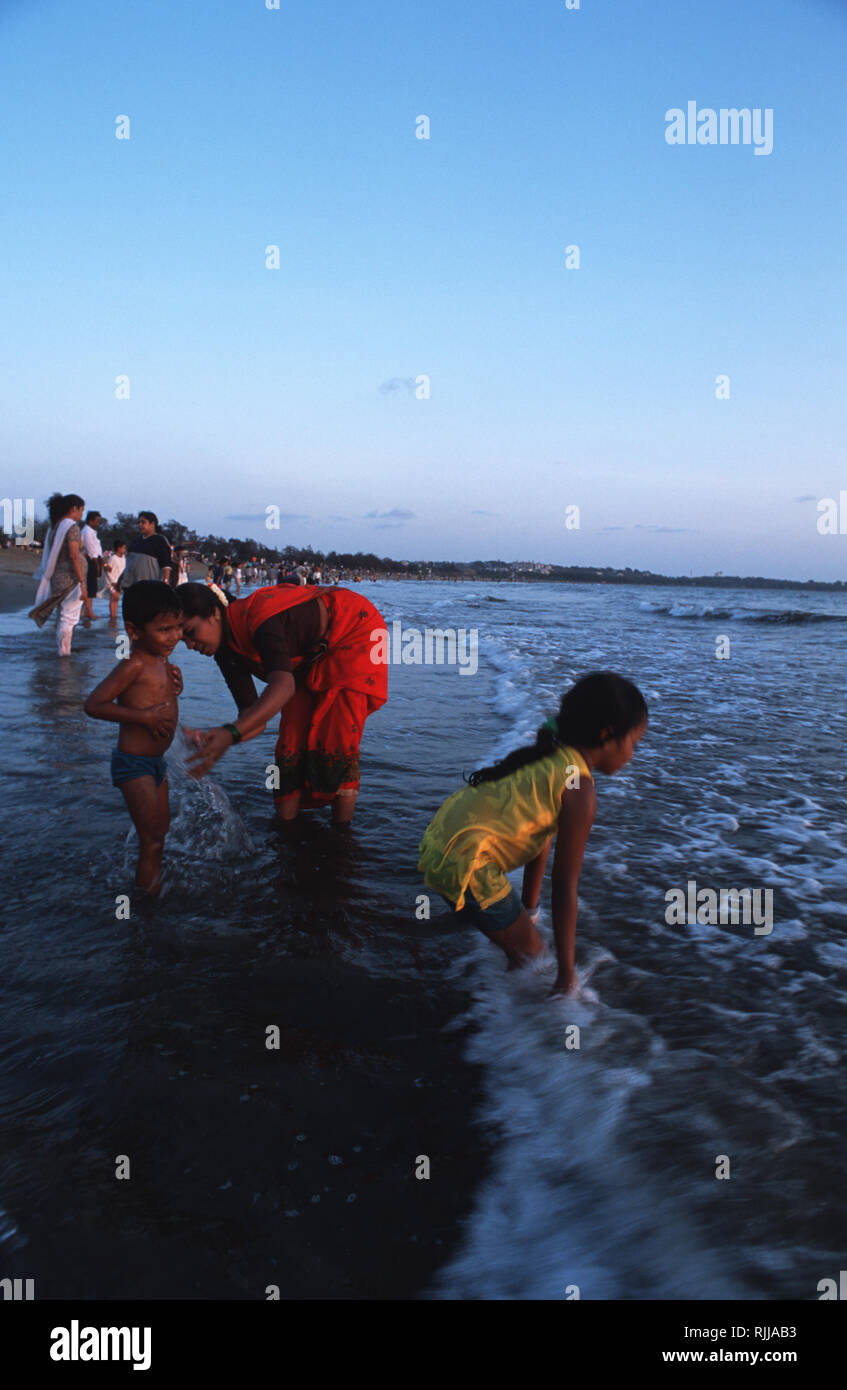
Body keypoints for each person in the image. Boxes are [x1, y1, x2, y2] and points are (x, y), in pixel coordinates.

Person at [418, 673, 648, 993]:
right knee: (534, 961)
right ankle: (513, 1018)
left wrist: (530, 911)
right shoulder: (579, 789)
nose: (632, 755)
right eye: (633, 743)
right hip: (467, 863)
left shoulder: (551, 759)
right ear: (607, 735)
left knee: (520, 938)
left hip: (439, 842)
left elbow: (541, 841)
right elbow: (566, 886)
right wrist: (566, 974)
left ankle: (498, 982)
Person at [177, 580, 388, 823]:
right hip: (310, 654)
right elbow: (253, 719)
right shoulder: (226, 651)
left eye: (191, 633)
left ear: (214, 614)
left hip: (353, 629)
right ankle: (285, 830)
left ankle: (342, 836)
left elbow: (284, 686)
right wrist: (213, 738)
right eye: (184, 641)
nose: (190, 646)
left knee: (337, 738)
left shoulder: (260, 618)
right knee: (290, 742)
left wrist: (231, 733)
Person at [84, 581, 184, 895]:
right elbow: (94, 705)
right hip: (134, 764)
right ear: (135, 630)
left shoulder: (162, 661)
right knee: (151, 840)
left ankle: (153, 889)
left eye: (179, 627)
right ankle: (145, 909)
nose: (175, 636)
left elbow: (157, 697)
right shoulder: (134, 664)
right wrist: (144, 718)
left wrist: (175, 688)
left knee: (160, 833)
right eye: (165, 629)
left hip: (156, 763)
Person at [33, 493, 90, 654]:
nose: (81, 515)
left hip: (58, 577)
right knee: (69, 617)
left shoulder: (55, 527)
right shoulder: (71, 527)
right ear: (74, 508)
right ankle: (64, 654)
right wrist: (82, 581)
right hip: (70, 578)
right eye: (81, 510)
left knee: (64, 616)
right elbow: (73, 555)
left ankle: (63, 651)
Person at [121, 512, 173, 590]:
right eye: (139, 522)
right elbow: (128, 564)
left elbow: (166, 566)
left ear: (152, 524)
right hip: (130, 587)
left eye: (143, 522)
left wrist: (165, 582)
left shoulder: (160, 540)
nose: (140, 525)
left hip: (149, 587)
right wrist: (120, 580)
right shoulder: (135, 541)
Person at [80, 511, 104, 620]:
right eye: (97, 521)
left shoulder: (92, 532)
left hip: (94, 559)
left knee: (92, 587)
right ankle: (88, 611)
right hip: (90, 561)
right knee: (90, 587)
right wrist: (97, 565)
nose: (98, 524)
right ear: (90, 521)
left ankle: (87, 610)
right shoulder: (87, 532)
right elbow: (91, 551)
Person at [103, 542, 128, 621]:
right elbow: (108, 571)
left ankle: (114, 616)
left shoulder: (123, 557)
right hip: (112, 580)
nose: (125, 549)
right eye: (124, 547)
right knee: (114, 597)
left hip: (120, 581)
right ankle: (112, 616)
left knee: (116, 598)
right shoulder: (112, 558)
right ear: (119, 548)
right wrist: (113, 582)